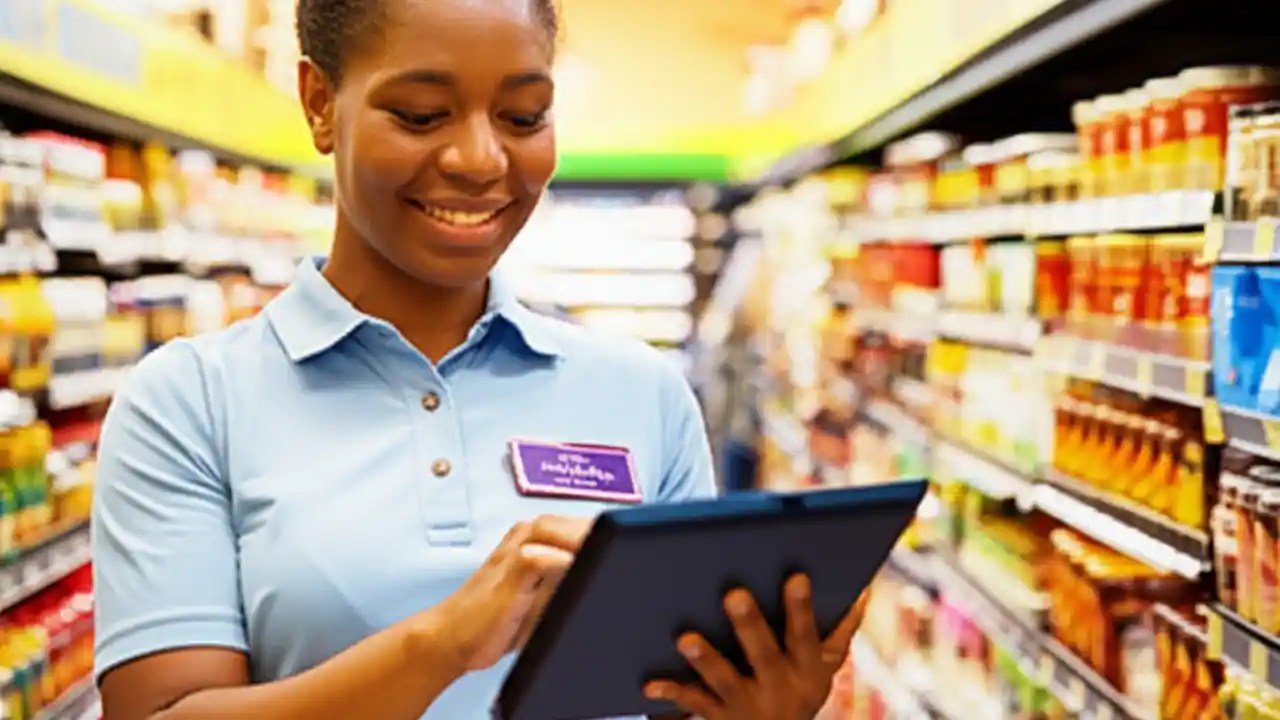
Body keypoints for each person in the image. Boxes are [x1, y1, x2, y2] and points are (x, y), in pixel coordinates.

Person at [90, 0, 866, 718]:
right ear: (320, 103)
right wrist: (447, 642)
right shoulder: (188, 403)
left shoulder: (645, 395)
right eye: (422, 114)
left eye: (523, 115)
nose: (480, 158)